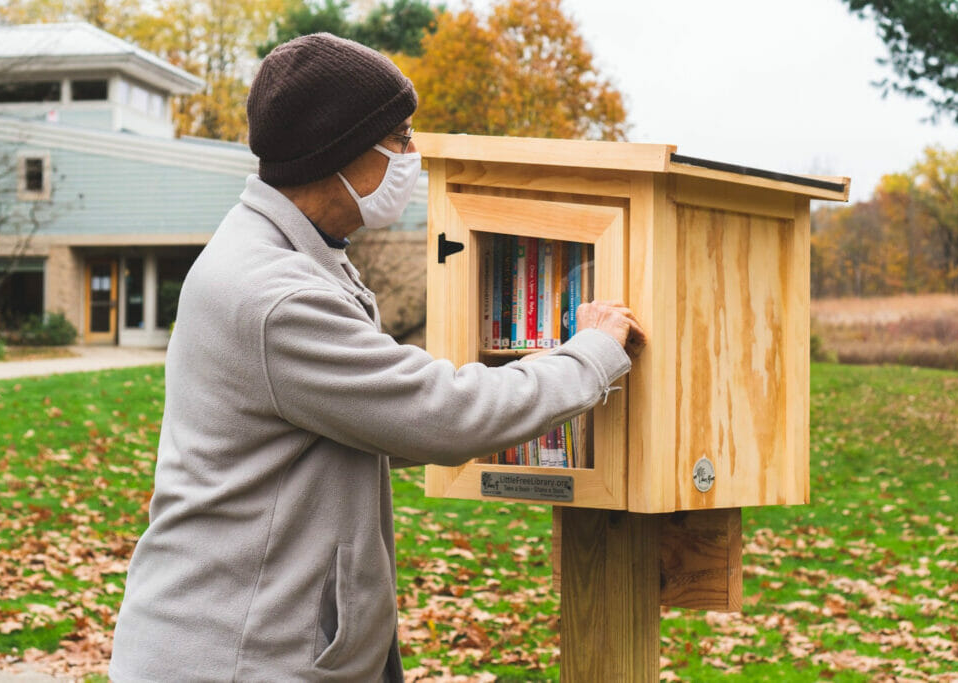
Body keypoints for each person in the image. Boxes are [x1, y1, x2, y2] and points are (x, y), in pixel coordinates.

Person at [109, 33, 646, 682]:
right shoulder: (275, 294)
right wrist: (589, 355)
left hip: (257, 638)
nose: (412, 156)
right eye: (399, 139)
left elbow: (386, 421)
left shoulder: (293, 255)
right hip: (239, 654)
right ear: (338, 150)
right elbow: (443, 415)